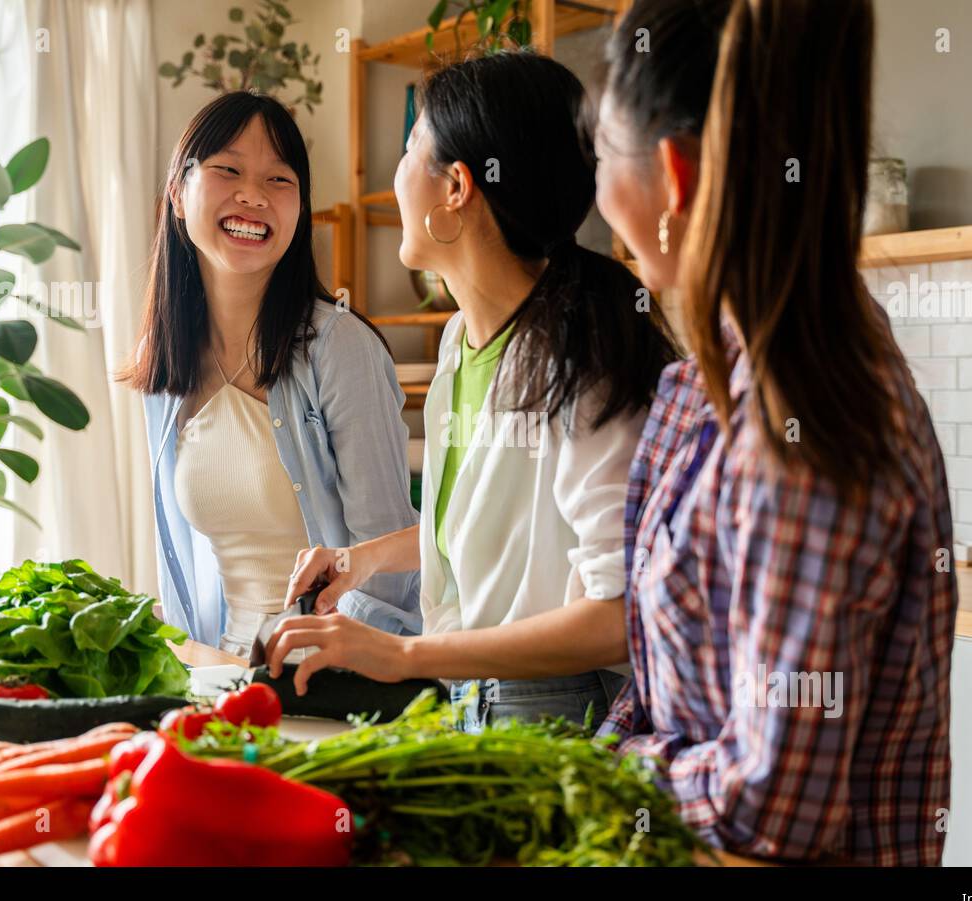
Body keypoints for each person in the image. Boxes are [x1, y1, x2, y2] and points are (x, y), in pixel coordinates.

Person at [591, 0, 956, 865]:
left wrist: (602, 771)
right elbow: (668, 698)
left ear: (676, 180)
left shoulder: (800, 428)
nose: (598, 193)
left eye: (603, 156)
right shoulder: (718, 382)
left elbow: (766, 809)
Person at [272, 52, 678, 731]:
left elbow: (618, 616)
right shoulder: (462, 339)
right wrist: (361, 559)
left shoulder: (581, 356)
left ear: (457, 186)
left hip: (560, 715)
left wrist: (402, 653)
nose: (399, 175)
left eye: (409, 152)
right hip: (472, 696)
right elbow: (492, 528)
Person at [120, 91, 420, 656]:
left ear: (300, 208)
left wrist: (312, 675)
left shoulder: (338, 347)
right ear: (178, 197)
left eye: (279, 180)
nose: (253, 196)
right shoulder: (166, 361)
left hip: (334, 678)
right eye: (228, 170)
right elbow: (186, 570)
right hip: (225, 673)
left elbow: (387, 571)